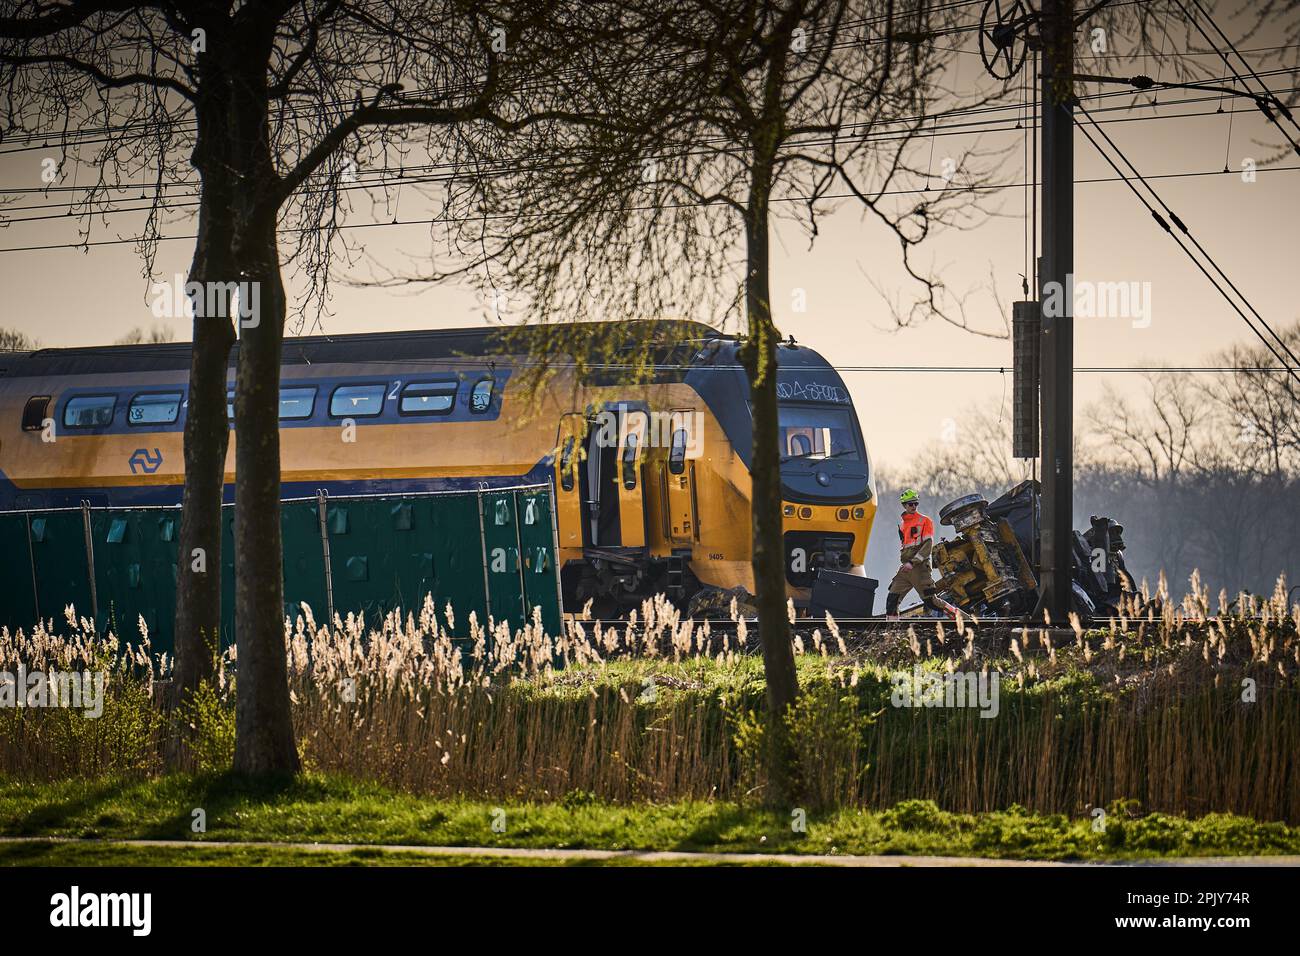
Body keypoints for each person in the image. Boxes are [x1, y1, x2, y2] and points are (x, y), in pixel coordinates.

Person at [885, 488, 949, 620]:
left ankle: (964, 619)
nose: (914, 506)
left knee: (932, 602)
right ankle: (891, 630)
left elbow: (928, 545)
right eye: (910, 504)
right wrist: (906, 563)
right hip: (906, 568)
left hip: (919, 567)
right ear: (904, 505)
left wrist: (912, 562)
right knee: (892, 599)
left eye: (916, 503)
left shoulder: (925, 521)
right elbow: (906, 546)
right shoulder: (902, 525)